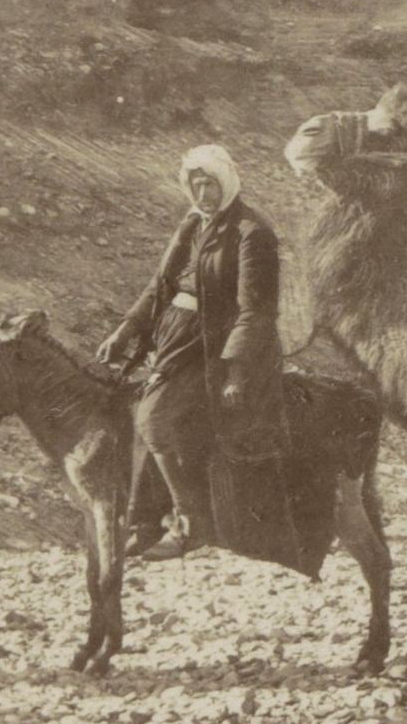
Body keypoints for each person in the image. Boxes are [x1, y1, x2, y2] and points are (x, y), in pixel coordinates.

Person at [102, 144, 283, 559]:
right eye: (195, 184)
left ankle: (191, 525)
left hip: (216, 347)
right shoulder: (192, 225)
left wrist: (236, 370)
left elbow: (255, 310)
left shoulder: (252, 232)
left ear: (227, 182)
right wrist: (126, 330)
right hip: (175, 339)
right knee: (142, 417)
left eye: (210, 184)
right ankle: (144, 523)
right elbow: (160, 286)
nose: (203, 193)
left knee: (154, 418)